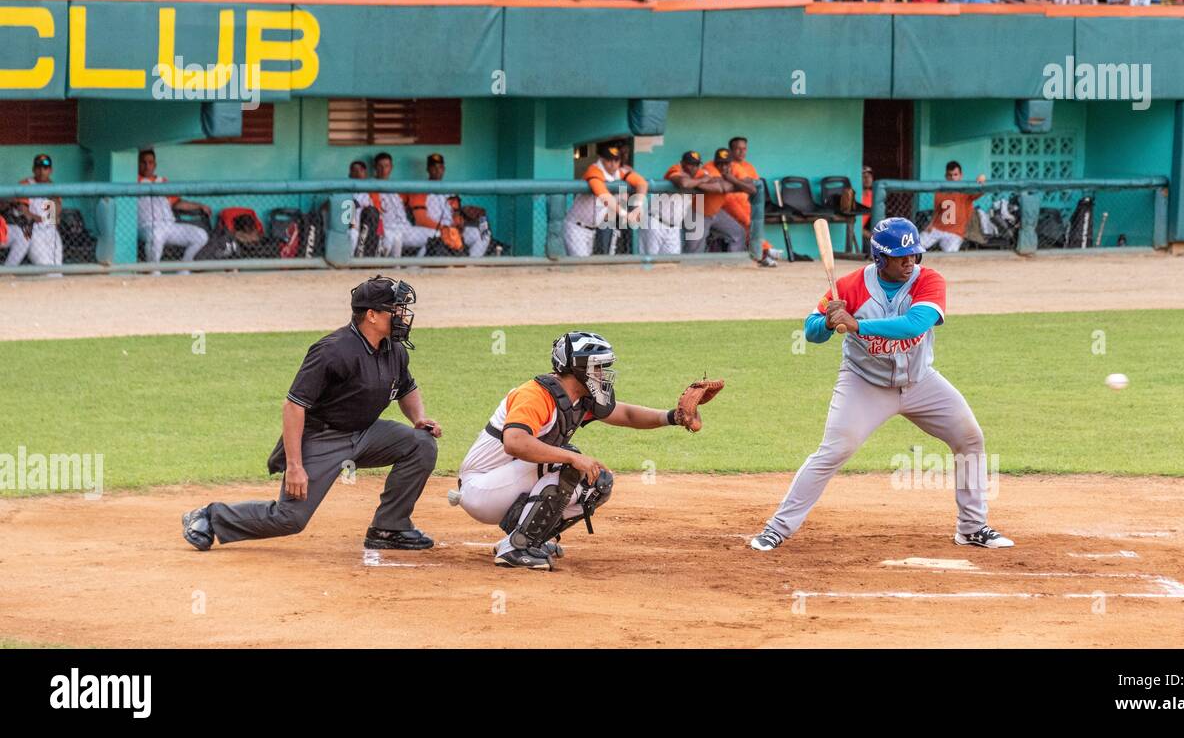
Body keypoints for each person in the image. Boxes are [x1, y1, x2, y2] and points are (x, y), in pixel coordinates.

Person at [749, 216, 1013, 553]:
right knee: (833, 451)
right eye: (900, 257)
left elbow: (914, 325)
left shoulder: (928, 280)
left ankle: (972, 528)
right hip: (864, 385)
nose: (909, 262)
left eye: (914, 255)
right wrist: (828, 321)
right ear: (879, 258)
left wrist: (857, 325)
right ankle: (777, 528)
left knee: (970, 438)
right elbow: (810, 332)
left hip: (921, 383)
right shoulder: (848, 286)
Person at [183, 276, 440, 553]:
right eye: (396, 309)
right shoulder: (332, 350)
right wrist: (295, 465)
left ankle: (390, 527)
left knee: (421, 443)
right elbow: (294, 406)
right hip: (322, 437)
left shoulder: (394, 350)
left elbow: (406, 388)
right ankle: (210, 517)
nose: (403, 315)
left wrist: (418, 418)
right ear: (372, 315)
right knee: (290, 518)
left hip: (367, 433)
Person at [453, 332, 720, 570]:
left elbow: (626, 414)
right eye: (599, 367)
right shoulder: (535, 395)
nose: (603, 373)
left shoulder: (579, 399)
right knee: (570, 464)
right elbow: (515, 442)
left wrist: (674, 417)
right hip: (482, 488)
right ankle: (517, 548)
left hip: (505, 484)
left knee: (598, 483)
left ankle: (524, 539)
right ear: (578, 369)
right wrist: (572, 457)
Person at [563, 142, 647, 256]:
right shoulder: (594, 170)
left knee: (590, 266)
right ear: (601, 159)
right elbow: (604, 196)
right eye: (609, 160)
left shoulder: (619, 172)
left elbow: (641, 183)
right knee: (581, 265)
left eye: (616, 160)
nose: (613, 164)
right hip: (577, 228)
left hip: (594, 229)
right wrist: (625, 214)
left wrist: (638, 206)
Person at [407, 153, 493, 255]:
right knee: (434, 240)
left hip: (452, 231)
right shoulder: (421, 190)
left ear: (444, 169)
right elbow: (421, 219)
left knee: (485, 233)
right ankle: (415, 267)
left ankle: (469, 265)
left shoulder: (450, 191)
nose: (437, 170)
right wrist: (444, 229)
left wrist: (460, 223)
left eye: (440, 167)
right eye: (433, 167)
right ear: (428, 169)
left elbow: (456, 214)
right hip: (432, 230)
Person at [135, 149, 211, 264]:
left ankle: (184, 266)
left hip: (170, 225)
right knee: (156, 235)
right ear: (138, 164)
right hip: (147, 226)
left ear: (155, 165)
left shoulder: (163, 181)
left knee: (201, 235)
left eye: (150, 163)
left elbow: (177, 203)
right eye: (143, 162)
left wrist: (199, 205)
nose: (147, 166)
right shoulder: (134, 180)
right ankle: (153, 270)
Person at [3, 154, 63, 270]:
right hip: (33, 231)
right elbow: (24, 211)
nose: (41, 171)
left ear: (50, 170)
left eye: (45, 168)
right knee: (45, 267)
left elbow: (56, 211)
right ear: (33, 169)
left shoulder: (53, 186)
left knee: (58, 268)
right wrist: (44, 218)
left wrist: (51, 216)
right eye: (38, 168)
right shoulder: (26, 184)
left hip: (51, 231)